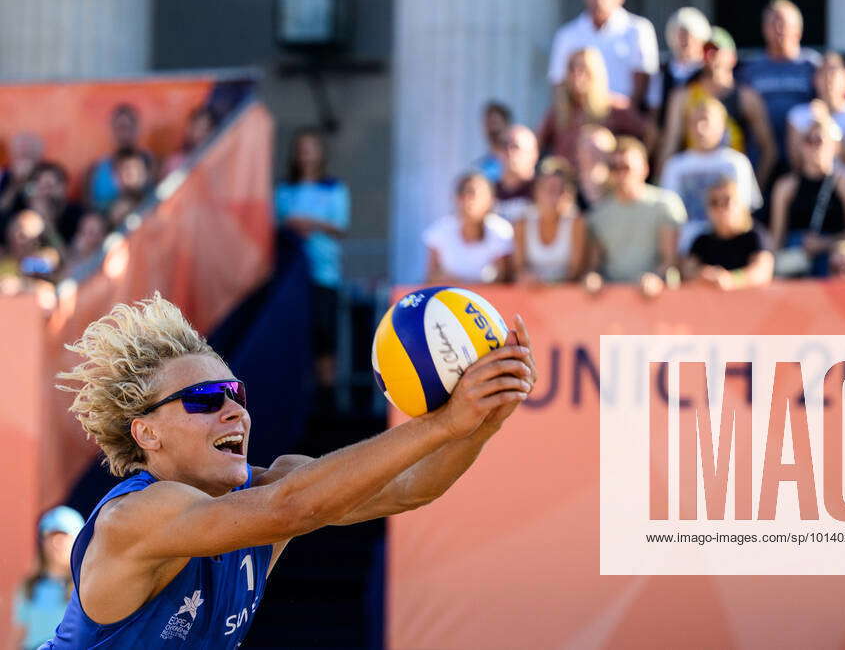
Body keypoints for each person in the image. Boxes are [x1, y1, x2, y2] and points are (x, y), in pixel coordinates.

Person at [42, 292, 536, 648]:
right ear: (147, 433)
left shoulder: (271, 483)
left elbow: (410, 489)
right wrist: (444, 422)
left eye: (236, 395)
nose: (234, 411)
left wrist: (484, 420)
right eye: (205, 399)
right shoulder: (135, 517)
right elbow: (294, 507)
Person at [274, 128, 351, 391]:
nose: (306, 154)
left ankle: (326, 395)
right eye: (301, 148)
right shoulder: (284, 190)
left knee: (324, 336)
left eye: (311, 148)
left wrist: (311, 224)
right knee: (294, 336)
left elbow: (341, 227)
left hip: (324, 274)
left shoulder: (334, 189)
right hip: (290, 276)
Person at [658, 26, 776, 187]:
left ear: (732, 57)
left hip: (731, 186)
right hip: (693, 184)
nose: (711, 55)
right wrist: (661, 183)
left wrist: (754, 188)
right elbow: (670, 144)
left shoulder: (747, 98)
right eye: (706, 50)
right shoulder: (682, 96)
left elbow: (768, 149)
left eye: (716, 49)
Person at [585, 136, 687, 297]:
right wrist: (593, 279)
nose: (620, 174)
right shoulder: (599, 214)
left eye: (626, 167)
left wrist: (655, 278)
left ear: (645, 169)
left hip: (655, 300)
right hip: (612, 301)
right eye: (614, 167)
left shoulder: (665, 205)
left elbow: (670, 260)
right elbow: (594, 265)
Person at [658, 97, 762, 252]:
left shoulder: (736, 162)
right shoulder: (674, 166)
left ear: (722, 126)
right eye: (694, 122)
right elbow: (668, 216)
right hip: (684, 248)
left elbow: (743, 211)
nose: (700, 128)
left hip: (727, 244)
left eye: (705, 121)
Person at [770, 116, 845, 277]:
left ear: (834, 146)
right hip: (796, 262)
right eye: (808, 140)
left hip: (831, 263)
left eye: (819, 140)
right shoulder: (786, 186)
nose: (813, 146)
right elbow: (777, 237)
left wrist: (824, 244)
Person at [738, 0, 821, 178]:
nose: (778, 29)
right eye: (772, 23)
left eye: (783, 23)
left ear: (798, 29)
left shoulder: (812, 66)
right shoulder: (750, 69)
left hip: (802, 159)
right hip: (760, 160)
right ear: (763, 29)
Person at [548, 0, 659, 107]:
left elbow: (645, 82)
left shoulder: (639, 29)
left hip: (625, 119)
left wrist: (622, 113)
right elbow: (559, 83)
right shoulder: (567, 35)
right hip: (580, 118)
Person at [537, 48, 648, 171]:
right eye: (572, 69)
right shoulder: (558, 112)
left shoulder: (615, 108)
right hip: (566, 183)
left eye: (583, 69)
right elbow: (537, 143)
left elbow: (650, 135)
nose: (577, 75)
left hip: (600, 183)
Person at [12, 507, 85, 650]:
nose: (56, 543)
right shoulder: (29, 586)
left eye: (64, 537)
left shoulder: (84, 586)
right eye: (51, 536)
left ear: (77, 541)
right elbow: (19, 635)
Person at [683, 176, 774, 290]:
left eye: (727, 201)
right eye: (714, 202)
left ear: (740, 204)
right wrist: (704, 274)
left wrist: (732, 279)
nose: (721, 207)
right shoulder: (702, 241)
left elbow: (762, 272)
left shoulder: (755, 236)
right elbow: (687, 270)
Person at [424, 172, 514, 283]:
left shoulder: (501, 231)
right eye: (461, 192)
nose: (466, 199)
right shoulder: (439, 230)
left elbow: (503, 279)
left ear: (490, 199)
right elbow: (430, 277)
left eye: (472, 193)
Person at [787, 53, 845, 166]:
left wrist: (825, 121)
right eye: (823, 72)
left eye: (833, 72)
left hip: (843, 181)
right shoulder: (797, 114)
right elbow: (797, 161)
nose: (828, 78)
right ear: (814, 79)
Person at [513, 157, 587, 283]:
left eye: (559, 190)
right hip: (529, 297)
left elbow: (575, 271)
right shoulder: (522, 224)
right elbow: (518, 269)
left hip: (564, 294)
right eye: (549, 189)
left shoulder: (576, 223)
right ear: (537, 192)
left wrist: (549, 285)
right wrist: (528, 279)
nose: (554, 196)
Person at [650, 7, 712, 127]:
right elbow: (654, 109)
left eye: (691, 35)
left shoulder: (707, 71)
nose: (686, 41)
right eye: (681, 35)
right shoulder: (662, 72)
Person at [86, 104, 154, 211]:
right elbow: (90, 207)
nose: (124, 133)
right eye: (120, 127)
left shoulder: (150, 162)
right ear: (112, 130)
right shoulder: (97, 168)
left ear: (136, 130)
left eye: (129, 127)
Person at [493, 125, 539, 223]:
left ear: (534, 154)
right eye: (504, 145)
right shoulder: (488, 193)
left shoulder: (544, 192)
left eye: (515, 147)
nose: (508, 152)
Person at [161, 106, 217, 178]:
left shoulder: (215, 163)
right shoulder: (175, 160)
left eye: (205, 129)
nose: (199, 133)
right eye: (196, 127)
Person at [575, 124, 616, 213]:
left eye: (597, 149)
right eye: (587, 149)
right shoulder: (569, 189)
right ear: (578, 152)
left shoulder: (618, 189)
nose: (592, 155)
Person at [473, 101, 512, 183]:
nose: (492, 129)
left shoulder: (514, 163)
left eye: (495, 123)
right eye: (488, 124)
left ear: (507, 125)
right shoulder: (481, 166)